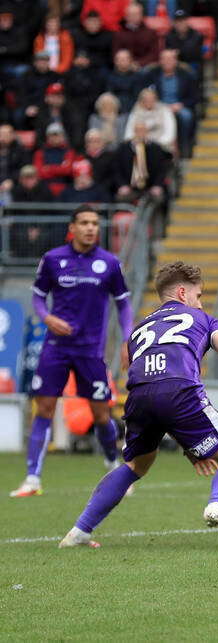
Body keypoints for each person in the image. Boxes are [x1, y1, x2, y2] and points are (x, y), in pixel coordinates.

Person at [58, 263, 218, 547]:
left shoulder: (138, 330)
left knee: (135, 465)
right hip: (180, 391)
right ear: (182, 293)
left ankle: (79, 531)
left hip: (138, 397)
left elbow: (152, 387)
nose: (200, 302)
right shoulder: (203, 319)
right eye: (198, 295)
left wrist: (190, 445)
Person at [10, 206, 133, 499]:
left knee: (101, 414)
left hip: (91, 351)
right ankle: (32, 479)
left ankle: (113, 468)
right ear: (72, 227)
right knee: (44, 408)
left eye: (95, 223)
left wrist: (128, 338)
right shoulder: (53, 259)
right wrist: (47, 318)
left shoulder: (109, 263)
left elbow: (123, 304)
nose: (91, 228)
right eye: (85, 223)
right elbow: (38, 298)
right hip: (56, 348)